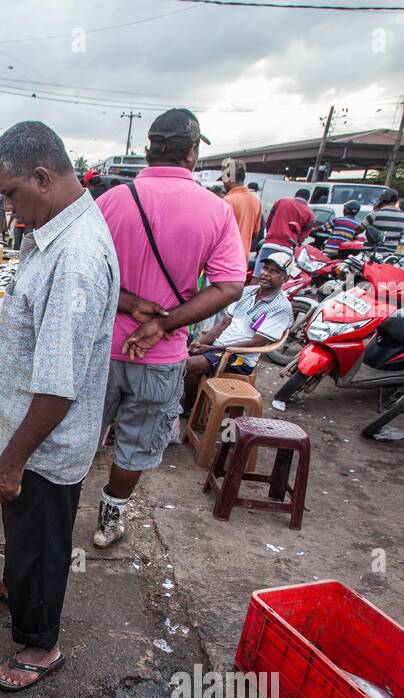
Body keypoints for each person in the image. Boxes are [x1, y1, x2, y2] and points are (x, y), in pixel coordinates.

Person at [0, 121, 118, 692]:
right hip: (28, 438)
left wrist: (10, 464)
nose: (7, 206)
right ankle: (16, 582)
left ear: (42, 176)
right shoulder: (54, 227)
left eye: (10, 193)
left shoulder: (76, 257)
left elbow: (58, 387)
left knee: (42, 540)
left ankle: (40, 642)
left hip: (45, 446)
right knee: (24, 532)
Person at [93, 108, 246, 548]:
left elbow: (83, 272)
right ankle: (107, 524)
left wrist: (129, 304)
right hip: (159, 356)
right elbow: (229, 285)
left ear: (147, 151)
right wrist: (163, 325)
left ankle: (59, 510)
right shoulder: (216, 211)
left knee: (81, 433)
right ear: (193, 154)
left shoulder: (111, 200)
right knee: (137, 443)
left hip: (101, 347)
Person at [182, 252, 294, 409]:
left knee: (188, 365)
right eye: (265, 268)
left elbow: (257, 342)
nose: (265, 274)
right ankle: (190, 406)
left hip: (239, 357)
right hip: (218, 348)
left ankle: (187, 407)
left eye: (273, 271)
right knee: (180, 356)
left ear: (285, 279)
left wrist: (211, 348)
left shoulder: (281, 307)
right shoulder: (248, 292)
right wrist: (199, 344)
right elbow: (223, 324)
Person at [255, 187, 316, 275]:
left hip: (270, 244)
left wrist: (270, 234)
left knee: (258, 275)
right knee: (279, 280)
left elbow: (269, 222)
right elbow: (303, 236)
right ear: (308, 199)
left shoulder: (281, 202)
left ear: (295, 195)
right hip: (287, 250)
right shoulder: (310, 214)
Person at [221, 160, 261, 262]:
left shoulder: (227, 201)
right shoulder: (256, 201)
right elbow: (255, 234)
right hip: (242, 259)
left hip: (224, 259)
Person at [363, 188, 404, 254]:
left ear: (382, 200)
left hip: (371, 254)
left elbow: (359, 229)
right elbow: (399, 238)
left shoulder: (375, 214)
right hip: (390, 256)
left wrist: (375, 209)